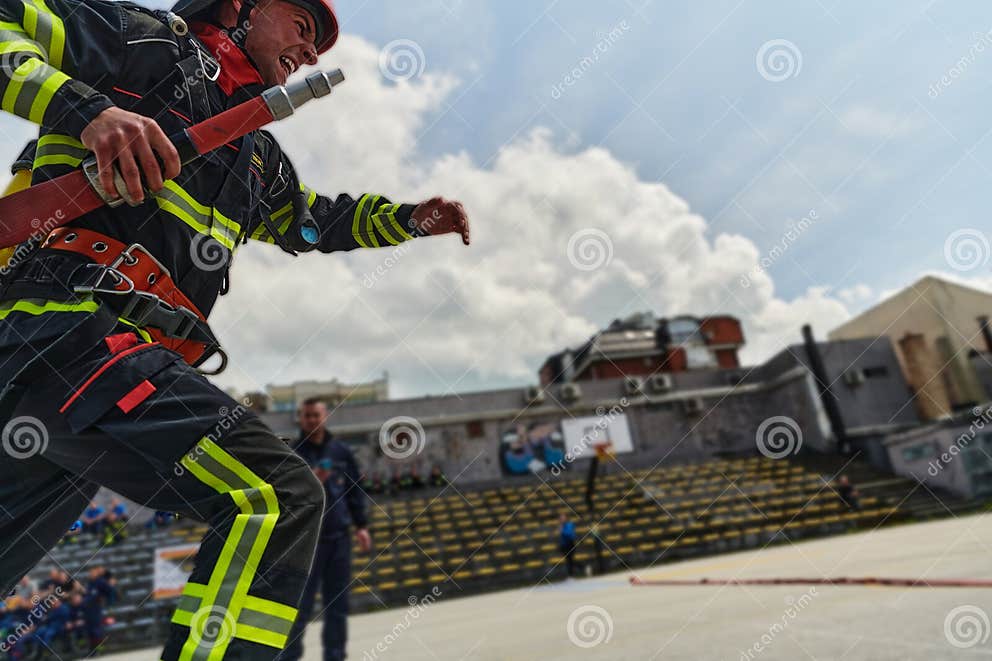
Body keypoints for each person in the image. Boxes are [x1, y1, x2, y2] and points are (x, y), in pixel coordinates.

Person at [0, 0, 470, 658]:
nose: (310, 54)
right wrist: (85, 112)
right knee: (272, 493)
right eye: (303, 28)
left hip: (81, 392)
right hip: (67, 332)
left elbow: (311, 223)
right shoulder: (145, 44)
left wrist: (406, 220)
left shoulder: (258, 160)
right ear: (242, 5)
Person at [278, 398, 371, 661]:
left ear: (325, 416)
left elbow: (355, 490)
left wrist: (362, 526)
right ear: (300, 418)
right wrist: (310, 482)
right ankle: (289, 657)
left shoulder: (341, 451)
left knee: (337, 607)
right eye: (306, 415)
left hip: (338, 540)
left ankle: (335, 656)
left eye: (315, 414)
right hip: (305, 543)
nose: (311, 420)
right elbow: (283, 496)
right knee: (298, 608)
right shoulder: (291, 453)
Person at [558, 512, 579, 579]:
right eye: (561, 518)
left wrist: (562, 531)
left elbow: (569, 534)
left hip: (570, 544)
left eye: (563, 518)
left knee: (570, 559)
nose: (562, 519)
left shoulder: (569, 524)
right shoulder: (561, 526)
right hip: (564, 545)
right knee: (569, 560)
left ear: (566, 518)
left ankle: (571, 575)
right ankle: (571, 574)